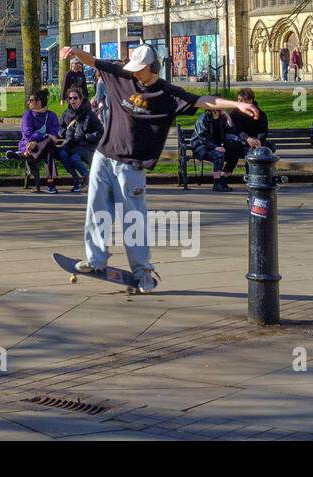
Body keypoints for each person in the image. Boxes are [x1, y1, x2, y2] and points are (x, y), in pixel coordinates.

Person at [64, 44, 259, 293]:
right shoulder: (121, 76)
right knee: (96, 209)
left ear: (152, 68)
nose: (134, 74)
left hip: (132, 164)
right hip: (104, 156)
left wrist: (235, 105)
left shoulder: (167, 94)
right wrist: (74, 52)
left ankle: (142, 270)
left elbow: (203, 101)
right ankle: (96, 259)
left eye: (140, 70)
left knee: (133, 218)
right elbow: (93, 61)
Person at [56, 85, 103, 193]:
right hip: (70, 144)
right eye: (70, 98)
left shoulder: (89, 114)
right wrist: (62, 132)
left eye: (75, 98)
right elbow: (60, 127)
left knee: (75, 159)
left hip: (85, 145)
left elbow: (100, 130)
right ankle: (76, 179)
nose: (72, 100)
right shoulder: (66, 114)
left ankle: (88, 178)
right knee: (62, 155)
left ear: (81, 99)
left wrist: (88, 137)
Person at [13, 88, 60, 193]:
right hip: (28, 145)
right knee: (49, 147)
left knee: (48, 145)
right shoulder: (28, 115)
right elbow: (28, 135)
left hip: (32, 150)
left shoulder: (51, 115)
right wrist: (44, 136)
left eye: (31, 100)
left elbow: (54, 135)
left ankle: (24, 154)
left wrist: (38, 140)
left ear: (39, 102)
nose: (28, 102)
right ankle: (51, 183)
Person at [188, 108, 241, 192]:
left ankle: (222, 178)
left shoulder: (222, 118)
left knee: (234, 152)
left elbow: (232, 132)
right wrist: (215, 147)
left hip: (216, 147)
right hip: (201, 147)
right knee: (219, 155)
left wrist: (228, 118)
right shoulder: (203, 119)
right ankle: (217, 183)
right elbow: (203, 136)